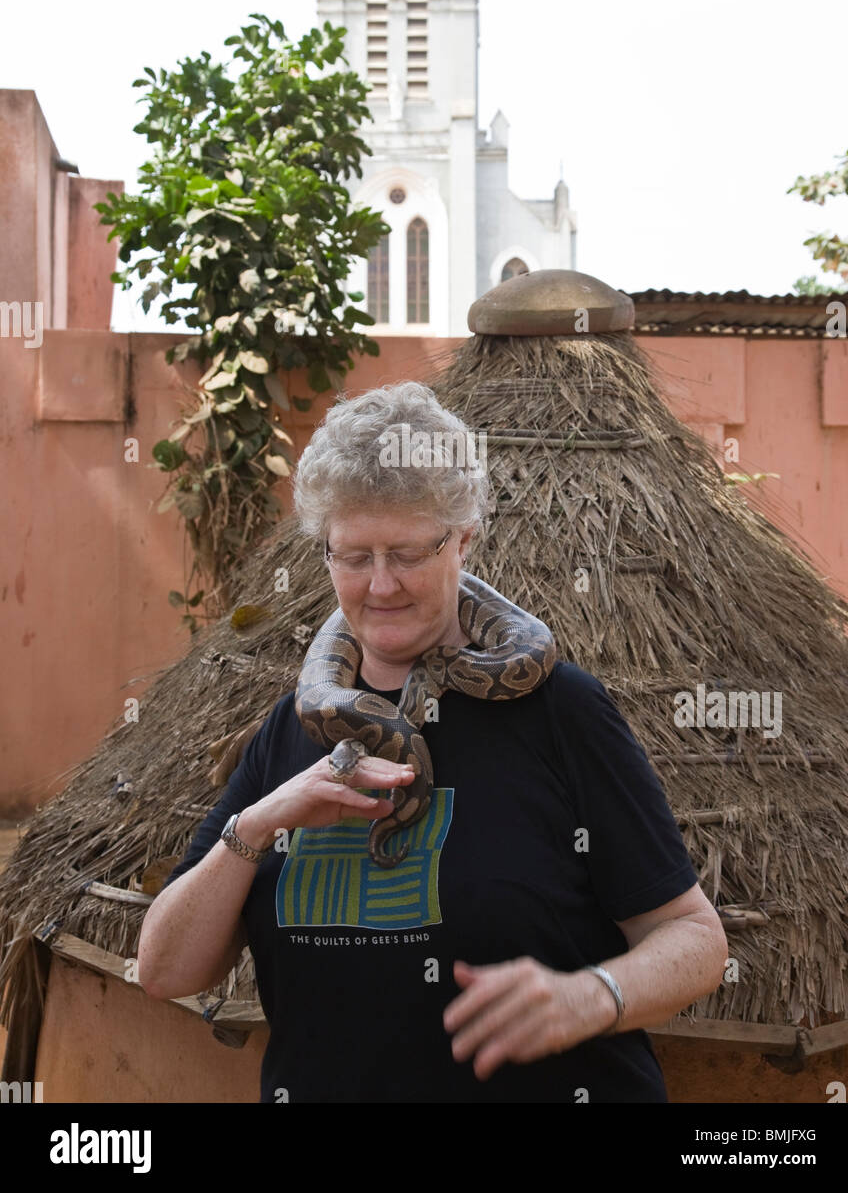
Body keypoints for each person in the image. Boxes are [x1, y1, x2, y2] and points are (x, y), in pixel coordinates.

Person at [138, 381, 727, 1103]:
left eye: (408, 552)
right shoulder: (289, 731)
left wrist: (593, 994)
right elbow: (164, 970)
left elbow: (694, 941)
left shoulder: (561, 712)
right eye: (353, 556)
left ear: (465, 539)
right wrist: (262, 820)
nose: (380, 585)